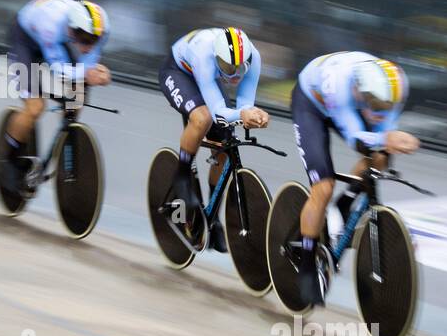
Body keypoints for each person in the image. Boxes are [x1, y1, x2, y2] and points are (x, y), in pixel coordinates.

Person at [291, 52, 420, 305]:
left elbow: (382, 134)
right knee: (323, 187)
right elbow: (356, 138)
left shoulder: (397, 85)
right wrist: (386, 138)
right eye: (375, 105)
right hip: (312, 104)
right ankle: (306, 265)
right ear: (359, 91)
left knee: (381, 158)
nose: (380, 112)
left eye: (385, 107)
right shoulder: (340, 85)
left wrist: (387, 140)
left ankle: (346, 201)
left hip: (351, 105)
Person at [158, 27, 269, 251]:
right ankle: (182, 175)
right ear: (218, 59)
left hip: (209, 75)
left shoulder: (253, 58)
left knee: (226, 140)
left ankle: (213, 216)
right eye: (229, 68)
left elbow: (244, 104)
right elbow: (218, 110)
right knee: (203, 118)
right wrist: (242, 114)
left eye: (241, 67)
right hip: (179, 71)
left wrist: (253, 114)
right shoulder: (205, 57)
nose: (236, 74)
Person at [0, 0, 111, 191]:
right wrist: (87, 73)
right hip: (25, 39)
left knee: (76, 99)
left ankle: (66, 146)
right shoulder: (51, 25)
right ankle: (9, 160)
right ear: (71, 29)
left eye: (94, 40)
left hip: (59, 41)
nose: (90, 46)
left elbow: (88, 63)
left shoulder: (102, 29)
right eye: (85, 40)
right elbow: (58, 67)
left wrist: (96, 73)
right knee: (35, 107)